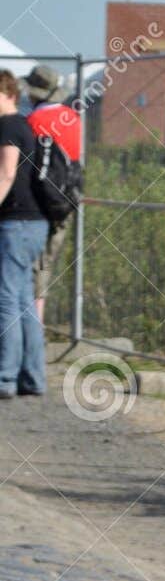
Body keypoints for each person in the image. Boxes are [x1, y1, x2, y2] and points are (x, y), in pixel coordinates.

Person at [0, 69, 48, 398]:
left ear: (9, 93)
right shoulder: (25, 125)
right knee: (23, 301)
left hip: (15, 222)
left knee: (5, 300)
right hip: (34, 222)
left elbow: (5, 174)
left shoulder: (8, 127)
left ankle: (5, 377)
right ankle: (32, 377)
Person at [23, 64, 83, 321]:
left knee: (28, 268)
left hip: (36, 203)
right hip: (65, 200)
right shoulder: (73, 117)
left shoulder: (32, 122)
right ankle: (38, 321)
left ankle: (28, 327)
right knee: (46, 264)